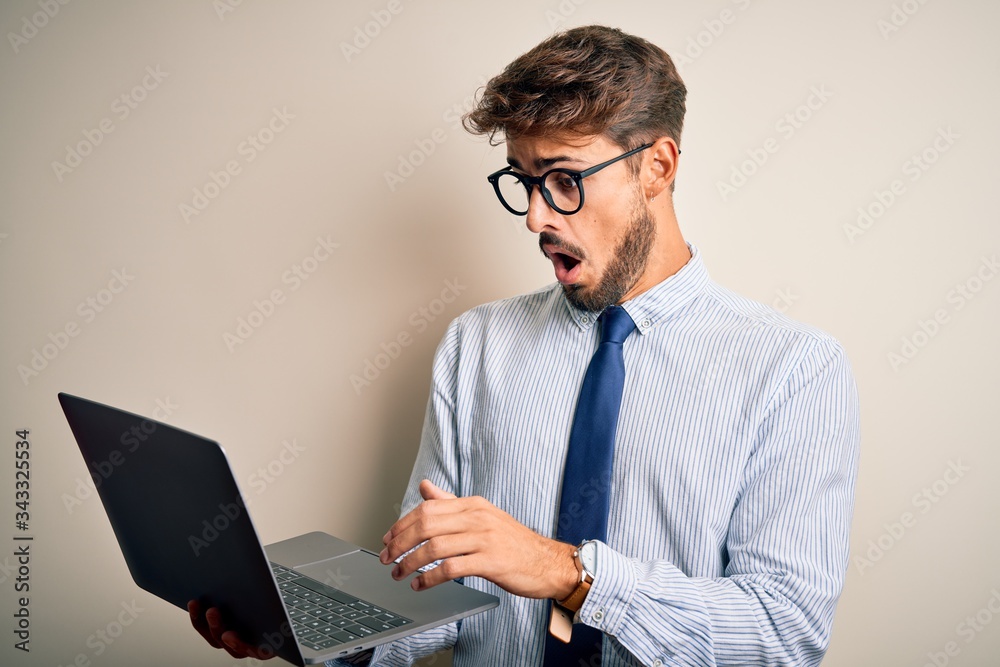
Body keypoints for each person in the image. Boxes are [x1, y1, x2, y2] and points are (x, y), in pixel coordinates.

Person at [191, 25, 860, 666]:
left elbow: (783, 633)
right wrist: (327, 633)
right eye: (525, 181)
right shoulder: (478, 344)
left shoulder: (792, 370)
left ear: (656, 166)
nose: (538, 218)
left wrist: (566, 572)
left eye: (565, 179)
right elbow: (435, 585)